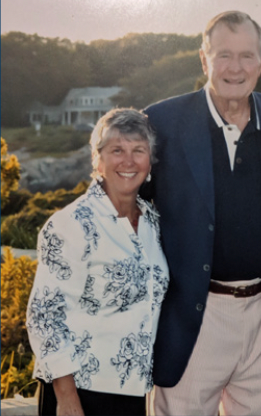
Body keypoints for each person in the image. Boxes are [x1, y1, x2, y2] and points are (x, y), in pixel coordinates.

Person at [143, 10, 261, 416]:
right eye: (223, 55)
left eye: (246, 56)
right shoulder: (161, 121)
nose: (235, 68)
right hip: (193, 316)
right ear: (204, 59)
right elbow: (123, 202)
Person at [26, 108, 170, 416]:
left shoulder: (154, 223)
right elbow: (44, 317)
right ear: (98, 159)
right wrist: (68, 400)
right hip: (80, 392)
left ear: (150, 161)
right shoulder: (70, 224)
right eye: (117, 150)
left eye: (138, 150)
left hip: (136, 394)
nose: (128, 161)